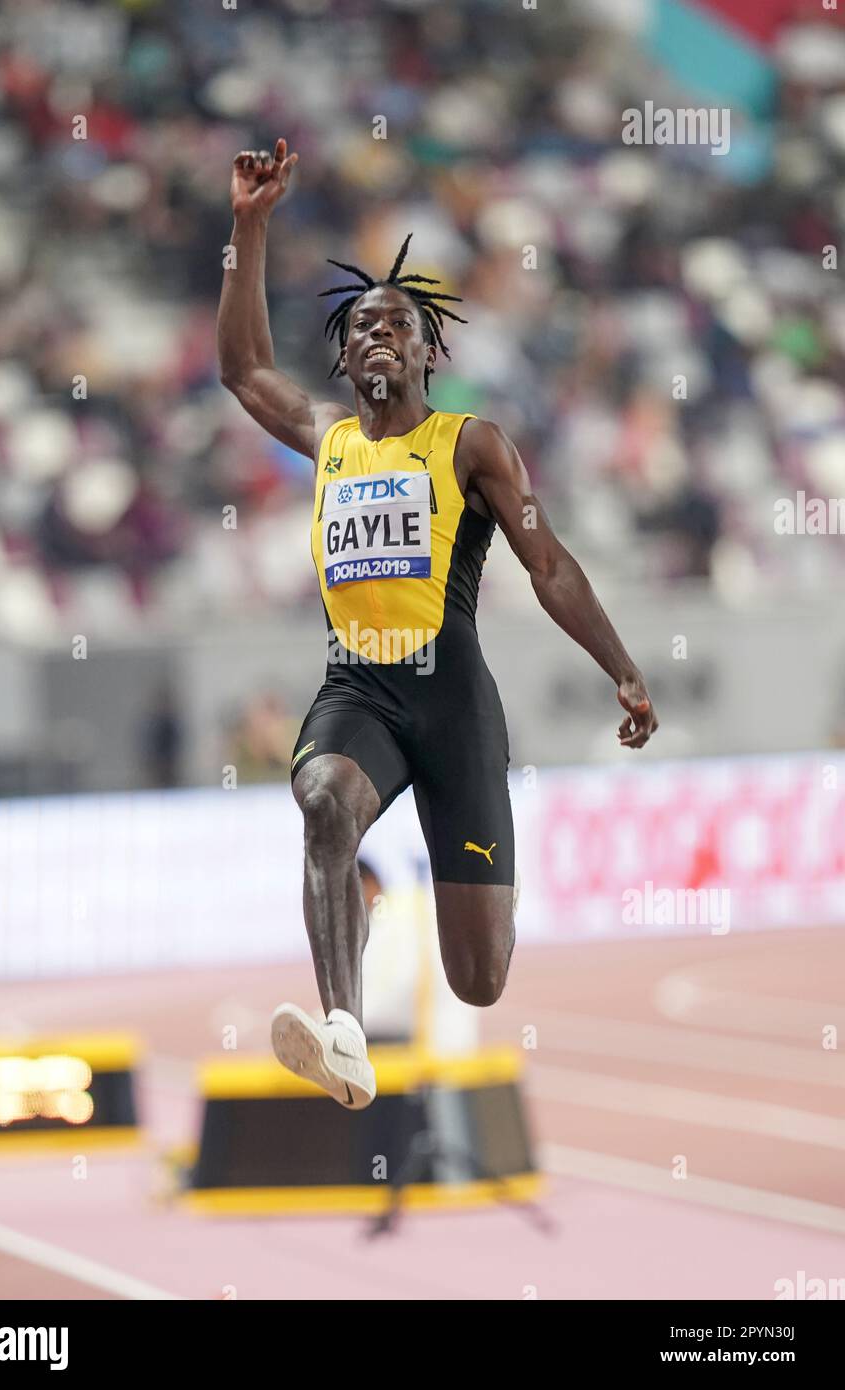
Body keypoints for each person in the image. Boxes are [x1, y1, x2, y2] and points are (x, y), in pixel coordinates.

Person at [217, 139, 658, 1110]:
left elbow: (548, 563)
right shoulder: (326, 439)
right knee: (324, 797)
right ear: (343, 355)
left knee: (478, 977)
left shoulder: (471, 446)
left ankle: (392, 900)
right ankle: (343, 1032)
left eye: (398, 326)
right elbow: (244, 365)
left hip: (453, 703)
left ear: (428, 353)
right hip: (357, 690)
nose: (377, 335)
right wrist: (249, 226)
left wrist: (621, 669)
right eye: (361, 325)